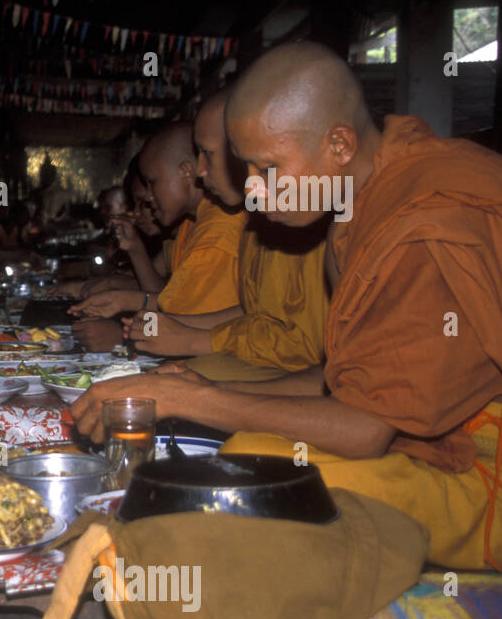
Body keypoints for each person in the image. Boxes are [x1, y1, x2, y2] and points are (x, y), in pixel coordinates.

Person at [72, 41, 502, 571]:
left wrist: (186, 399)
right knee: (248, 444)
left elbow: (366, 429)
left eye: (266, 168)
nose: (252, 189)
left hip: (484, 472)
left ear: (339, 144)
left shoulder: (419, 223)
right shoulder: (361, 198)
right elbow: (342, 377)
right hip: (414, 437)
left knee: (249, 477)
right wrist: (201, 390)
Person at [125, 89, 329, 381]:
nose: (199, 171)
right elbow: (252, 311)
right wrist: (180, 329)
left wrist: (194, 341)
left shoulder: (307, 214)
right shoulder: (255, 221)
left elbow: (304, 350)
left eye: (208, 154)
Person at [71, 121, 245, 330]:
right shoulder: (191, 224)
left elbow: (188, 325)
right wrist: (121, 300)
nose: (148, 195)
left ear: (187, 171)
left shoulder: (219, 228)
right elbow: (170, 301)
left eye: (153, 182)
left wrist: (125, 328)